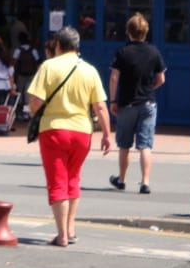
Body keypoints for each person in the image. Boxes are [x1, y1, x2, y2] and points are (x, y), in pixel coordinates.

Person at [27, 25, 111, 247]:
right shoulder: (90, 70)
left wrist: (39, 115)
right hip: (82, 132)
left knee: (57, 182)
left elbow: (35, 101)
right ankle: (71, 229)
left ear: (57, 45)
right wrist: (106, 135)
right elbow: (100, 106)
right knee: (73, 179)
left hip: (54, 130)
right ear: (77, 46)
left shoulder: (48, 66)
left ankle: (62, 234)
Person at [108, 12, 167, 195]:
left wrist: (113, 100)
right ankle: (145, 182)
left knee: (124, 145)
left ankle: (122, 179)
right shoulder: (154, 52)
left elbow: (114, 78)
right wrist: (150, 88)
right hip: (148, 102)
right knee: (145, 145)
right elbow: (161, 79)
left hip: (127, 103)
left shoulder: (122, 52)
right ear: (145, 31)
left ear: (129, 31)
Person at [12, 31, 40, 120]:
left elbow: (14, 63)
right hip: (31, 74)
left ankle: (19, 112)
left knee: (19, 93)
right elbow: (38, 61)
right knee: (28, 94)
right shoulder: (33, 50)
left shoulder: (18, 50)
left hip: (21, 75)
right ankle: (27, 113)